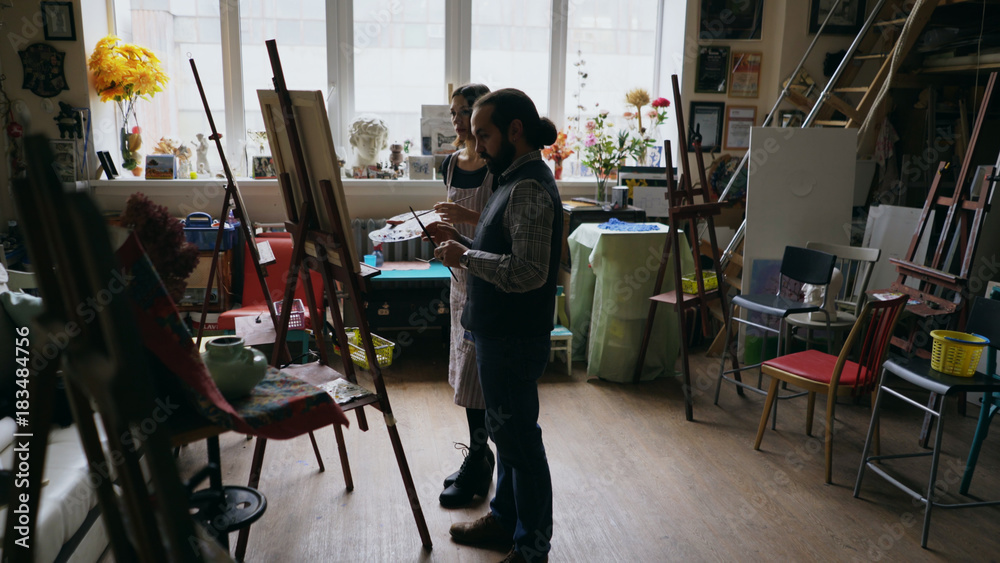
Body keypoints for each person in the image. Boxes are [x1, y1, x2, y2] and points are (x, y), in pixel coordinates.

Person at [428, 88, 561, 563]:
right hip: (497, 333)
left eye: (484, 133)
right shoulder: (511, 177)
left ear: (514, 130)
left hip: (512, 337)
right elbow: (502, 251)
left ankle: (531, 547)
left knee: (521, 443)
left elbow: (528, 271)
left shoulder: (526, 186)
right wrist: (460, 240)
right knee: (507, 438)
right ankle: (506, 521)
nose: (477, 143)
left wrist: (464, 255)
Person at [434, 83, 498, 509]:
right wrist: (439, 228)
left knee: (479, 381)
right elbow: (455, 221)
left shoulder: (498, 163)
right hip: (460, 279)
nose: (457, 120)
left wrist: (466, 216)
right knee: (464, 377)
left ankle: (482, 461)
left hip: (491, 279)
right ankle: (479, 455)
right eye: (454, 112)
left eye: (465, 111)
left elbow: (501, 224)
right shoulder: (451, 163)